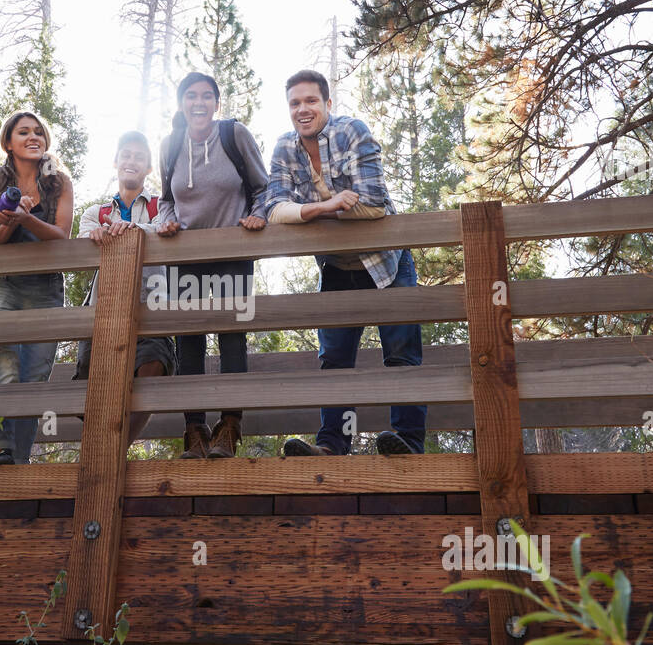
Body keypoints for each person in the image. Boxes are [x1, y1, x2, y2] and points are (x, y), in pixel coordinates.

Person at [264, 69, 427, 457]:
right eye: (294, 103)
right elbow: (273, 210)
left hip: (386, 263)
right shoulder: (285, 148)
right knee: (335, 359)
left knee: (401, 354)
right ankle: (333, 445)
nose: (302, 109)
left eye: (310, 101)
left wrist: (304, 211)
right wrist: (328, 205)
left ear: (327, 104)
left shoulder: (352, 131)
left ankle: (409, 444)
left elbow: (372, 206)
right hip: (337, 267)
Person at [155, 72, 270, 459]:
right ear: (182, 104)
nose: (199, 102)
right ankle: (194, 430)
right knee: (189, 338)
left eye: (207, 96)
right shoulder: (171, 145)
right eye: (191, 96)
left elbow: (262, 187)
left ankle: (229, 427)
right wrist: (164, 222)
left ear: (217, 104)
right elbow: (165, 198)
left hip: (231, 249)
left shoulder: (233, 135)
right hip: (186, 254)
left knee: (231, 333)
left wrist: (257, 216)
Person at [0, 110, 74, 465]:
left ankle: (19, 460)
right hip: (3, 284)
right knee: (5, 368)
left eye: (38, 132)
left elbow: (62, 236)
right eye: (23, 132)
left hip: (46, 288)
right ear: (8, 142)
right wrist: (9, 222)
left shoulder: (59, 182)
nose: (33, 137)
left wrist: (28, 218)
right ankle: (1, 451)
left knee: (34, 377)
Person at [73, 131, 178, 444]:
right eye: (126, 155)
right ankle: (97, 448)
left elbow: (170, 229)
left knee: (154, 363)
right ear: (116, 161)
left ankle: (116, 448)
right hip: (102, 307)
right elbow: (83, 244)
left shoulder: (164, 206)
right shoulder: (97, 212)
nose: (132, 161)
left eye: (140, 157)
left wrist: (133, 229)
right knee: (93, 383)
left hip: (153, 303)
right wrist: (99, 237)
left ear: (148, 168)